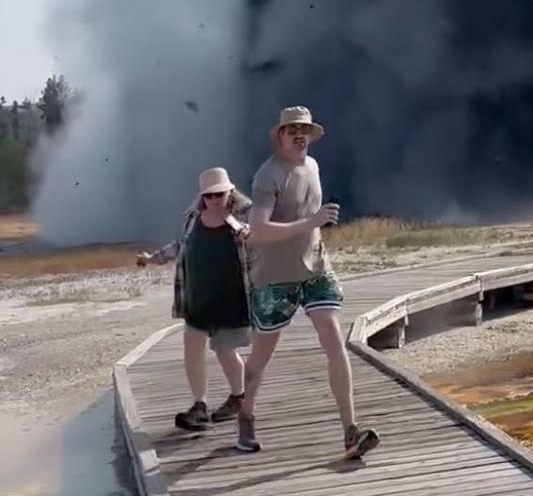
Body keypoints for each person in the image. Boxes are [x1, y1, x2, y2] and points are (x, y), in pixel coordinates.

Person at [236, 106, 379, 462]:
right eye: (292, 130)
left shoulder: (312, 167)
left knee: (334, 341)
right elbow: (259, 232)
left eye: (305, 130)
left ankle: (350, 431)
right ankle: (246, 414)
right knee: (262, 355)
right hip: (274, 277)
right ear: (279, 135)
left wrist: (314, 228)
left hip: (315, 268)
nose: (300, 135)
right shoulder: (267, 176)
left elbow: (308, 219)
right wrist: (311, 221)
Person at [136, 166, 252, 432]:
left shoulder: (244, 215)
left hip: (231, 297)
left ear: (230, 192)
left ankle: (238, 396)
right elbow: (181, 245)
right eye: (209, 196)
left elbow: (258, 239)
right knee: (192, 351)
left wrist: (243, 230)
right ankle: (199, 406)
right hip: (197, 297)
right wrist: (154, 258)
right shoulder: (193, 217)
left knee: (225, 351)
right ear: (202, 197)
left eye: (219, 194)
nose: (214, 200)